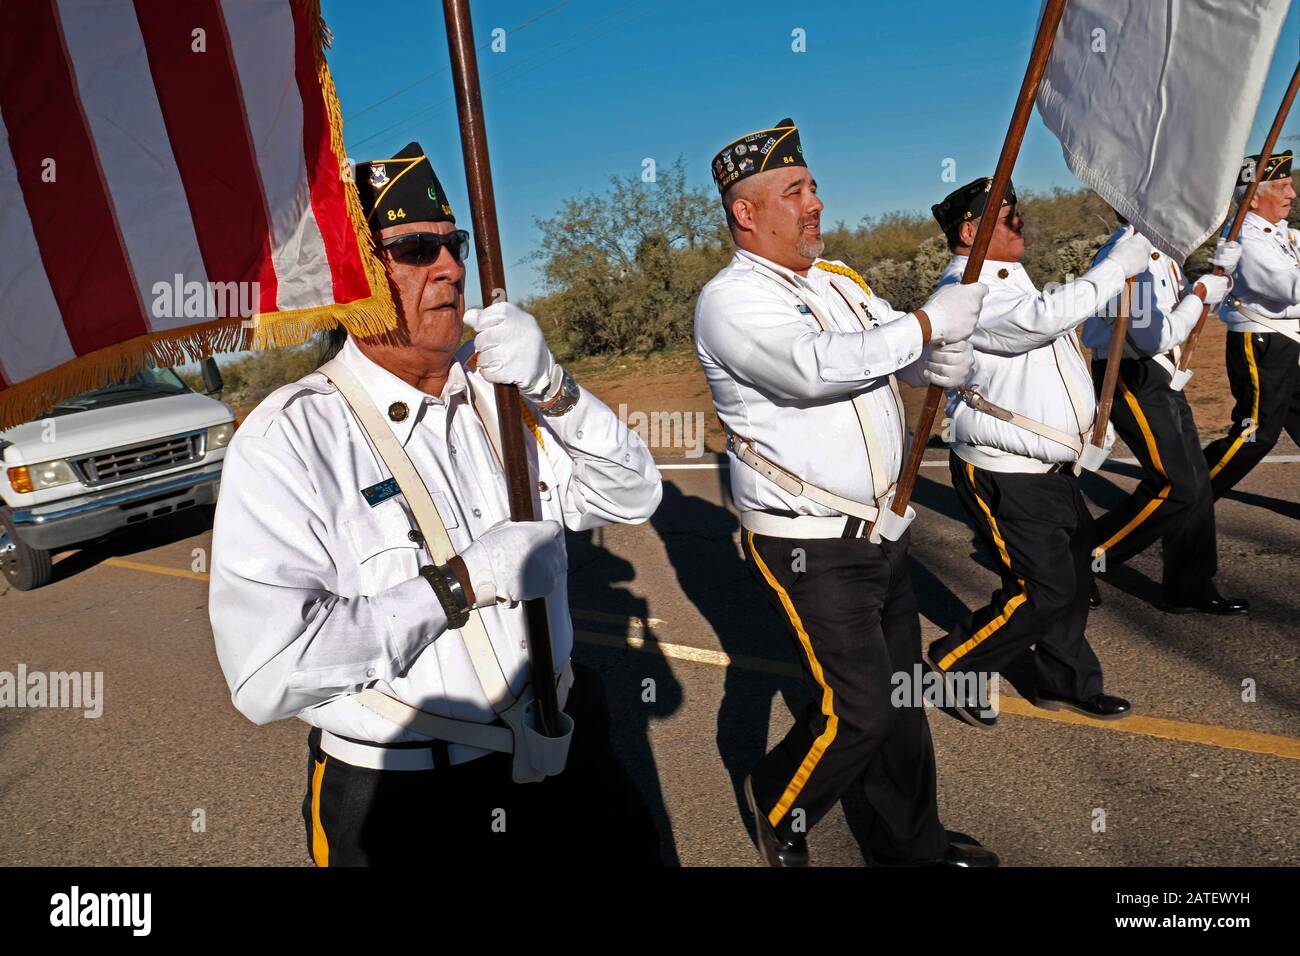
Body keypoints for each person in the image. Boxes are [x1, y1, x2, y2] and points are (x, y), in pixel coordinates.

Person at [209, 142, 664, 866]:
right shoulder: (289, 439)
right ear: (352, 282)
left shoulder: (501, 389)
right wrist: (458, 583)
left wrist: (553, 385)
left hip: (566, 746)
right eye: (418, 250)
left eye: (454, 245)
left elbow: (632, 492)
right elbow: (268, 673)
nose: (452, 267)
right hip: (410, 800)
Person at [695, 119, 997, 868]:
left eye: (814, 186)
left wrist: (937, 360)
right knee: (858, 708)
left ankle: (912, 847)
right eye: (795, 191)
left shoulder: (838, 283)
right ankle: (779, 802)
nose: (815, 203)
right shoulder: (730, 300)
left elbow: (889, 354)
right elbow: (815, 368)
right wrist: (930, 322)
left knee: (899, 704)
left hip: (882, 528)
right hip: (808, 541)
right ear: (746, 212)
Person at [925, 177, 1148, 726]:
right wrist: (1111, 269)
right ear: (971, 231)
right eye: (1006, 215)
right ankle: (954, 666)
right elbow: (1035, 326)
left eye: (1016, 210)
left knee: (1071, 585)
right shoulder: (963, 291)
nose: (1019, 220)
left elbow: (1056, 343)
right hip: (1005, 473)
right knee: (1042, 590)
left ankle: (1064, 681)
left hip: (1051, 470)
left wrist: (1086, 429)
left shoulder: (1015, 284)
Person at [1081, 216, 1247, 614]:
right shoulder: (1125, 255)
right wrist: (1202, 293)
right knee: (1177, 486)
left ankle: (1188, 585)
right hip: (1129, 373)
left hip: (1160, 373)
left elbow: (1177, 310)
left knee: (1196, 485)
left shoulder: (1160, 253)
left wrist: (1215, 278)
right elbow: (1152, 334)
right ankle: (1080, 560)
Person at [1203, 151, 1300, 497]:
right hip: (1262, 342)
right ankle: (1186, 496)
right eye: (1284, 187)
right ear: (1255, 197)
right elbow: (1288, 287)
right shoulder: (1245, 236)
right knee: (1254, 434)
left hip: (1288, 342)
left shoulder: (1279, 232)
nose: (1292, 194)